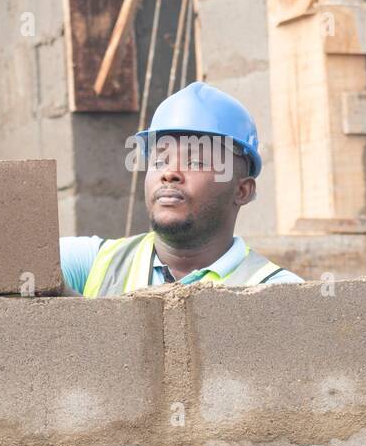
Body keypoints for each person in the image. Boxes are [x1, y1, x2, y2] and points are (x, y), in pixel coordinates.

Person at [61, 82, 303, 296]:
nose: (169, 174)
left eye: (195, 162)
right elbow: (36, 257)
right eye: (159, 161)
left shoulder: (281, 293)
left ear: (242, 191)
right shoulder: (94, 263)